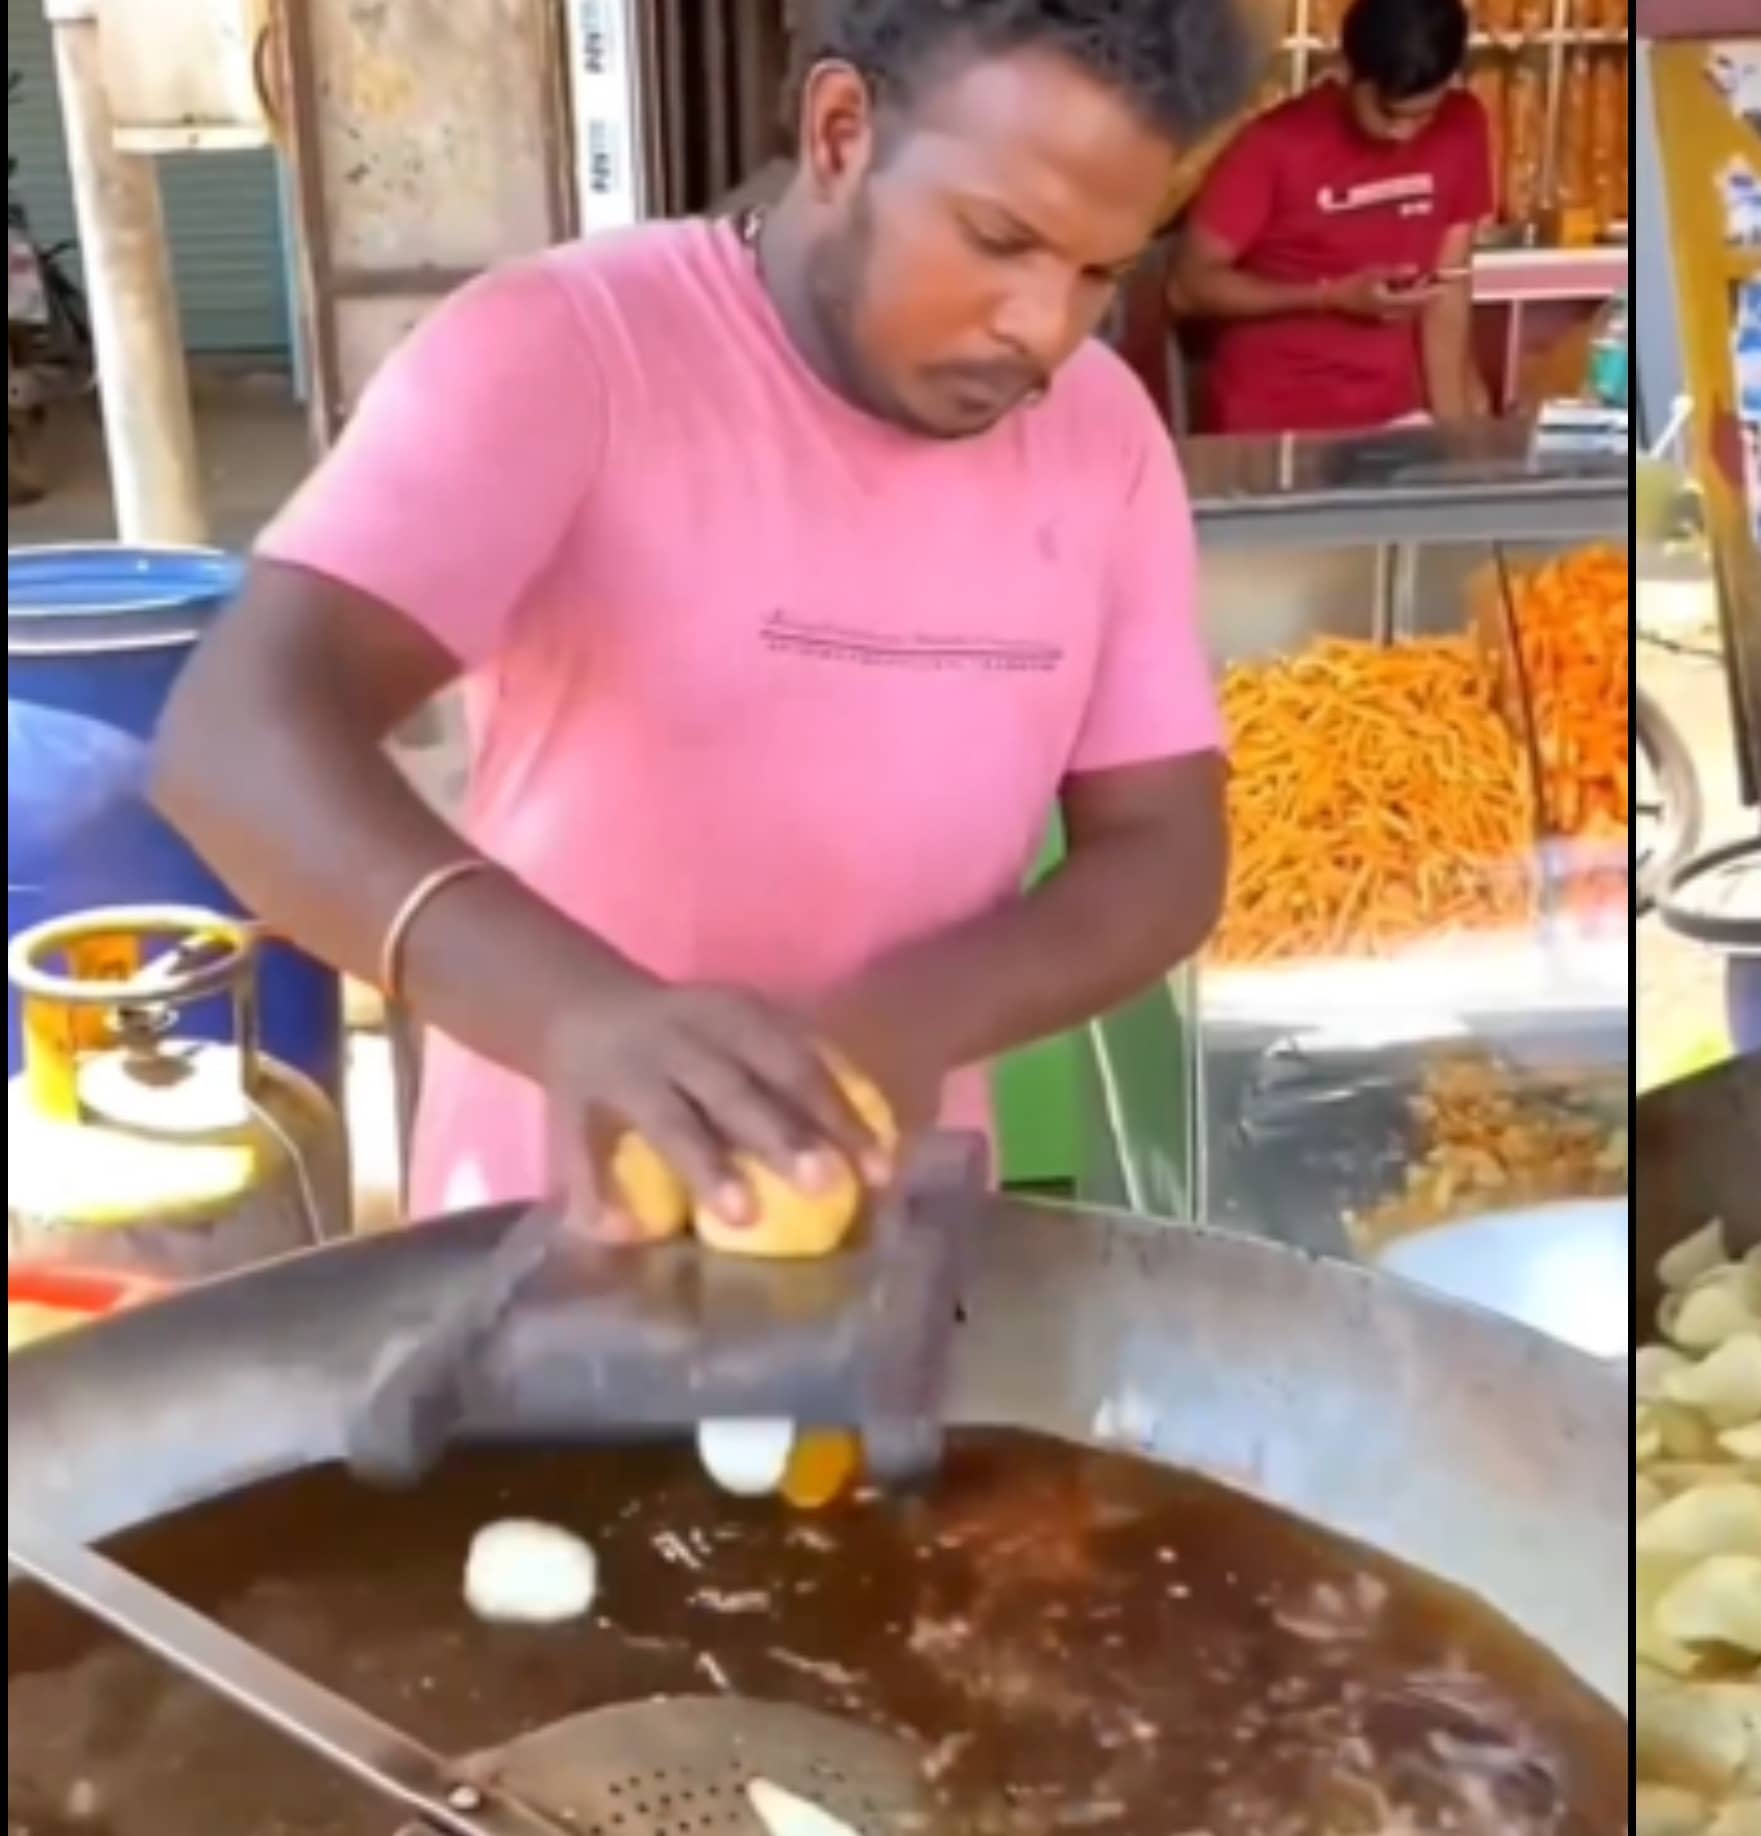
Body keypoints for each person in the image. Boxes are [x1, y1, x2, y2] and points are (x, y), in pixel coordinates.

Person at [152, 0, 1260, 1234]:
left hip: (897, 1246)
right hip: (549, 1237)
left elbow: (1164, 850)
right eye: (1001, 238)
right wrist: (582, 1016)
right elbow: (234, 738)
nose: (1045, 328)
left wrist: (913, 1017)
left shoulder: (1104, 441)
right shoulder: (570, 353)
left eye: (1100, 268)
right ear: (842, 131)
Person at [1169, 0, 1494, 431]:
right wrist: (1330, 296)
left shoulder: (1463, 127)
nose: (1404, 133)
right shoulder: (1273, 145)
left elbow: (1447, 291)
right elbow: (1187, 290)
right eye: (1389, 114)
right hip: (1274, 419)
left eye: (1424, 116)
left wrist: (1454, 437)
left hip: (1395, 416)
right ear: (1345, 71)